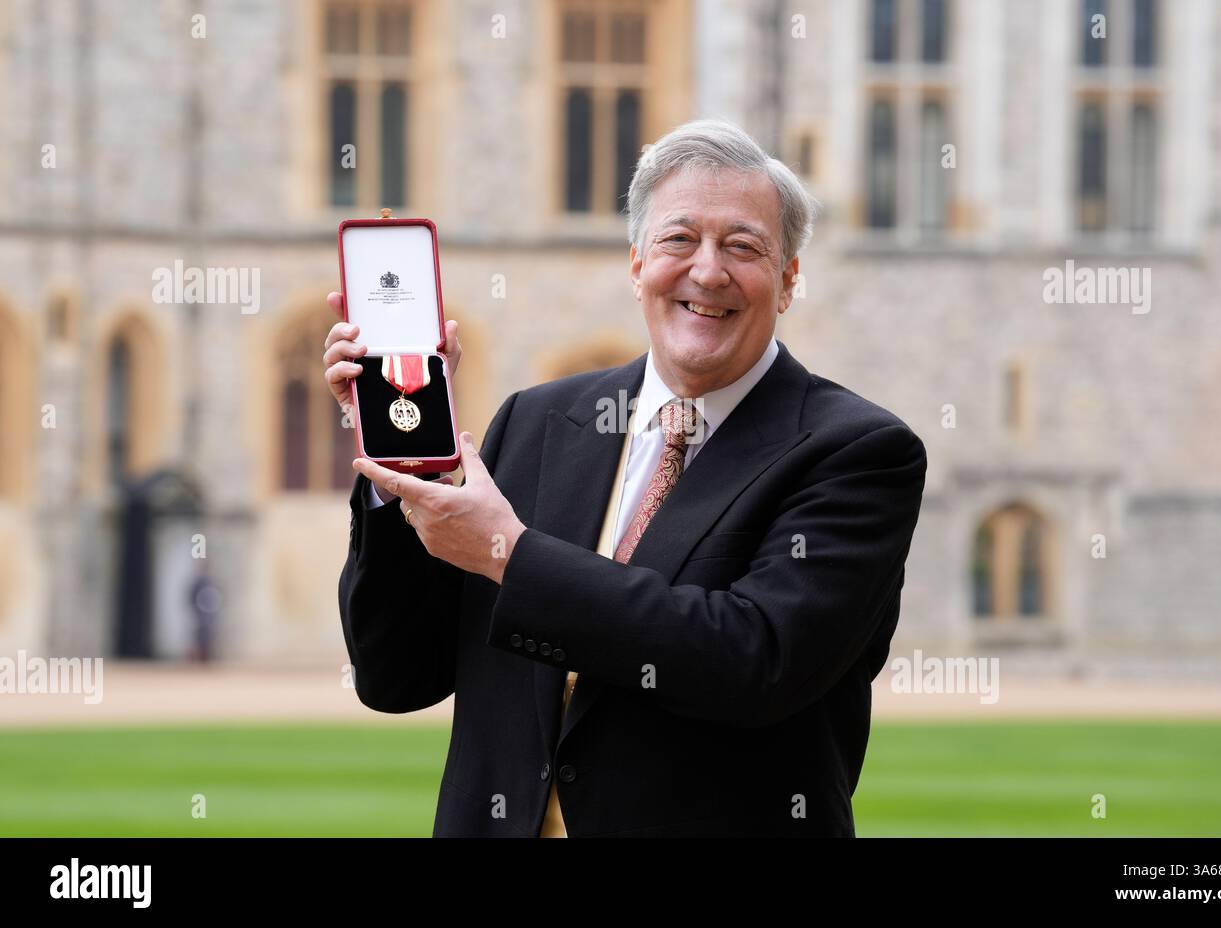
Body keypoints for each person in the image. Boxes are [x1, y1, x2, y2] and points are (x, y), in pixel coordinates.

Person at [325, 119, 927, 837]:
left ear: (789, 278)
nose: (707, 271)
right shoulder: (539, 422)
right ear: (637, 262)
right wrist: (397, 474)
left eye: (743, 246)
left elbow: (754, 661)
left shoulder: (858, 452)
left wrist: (508, 554)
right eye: (679, 240)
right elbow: (397, 677)